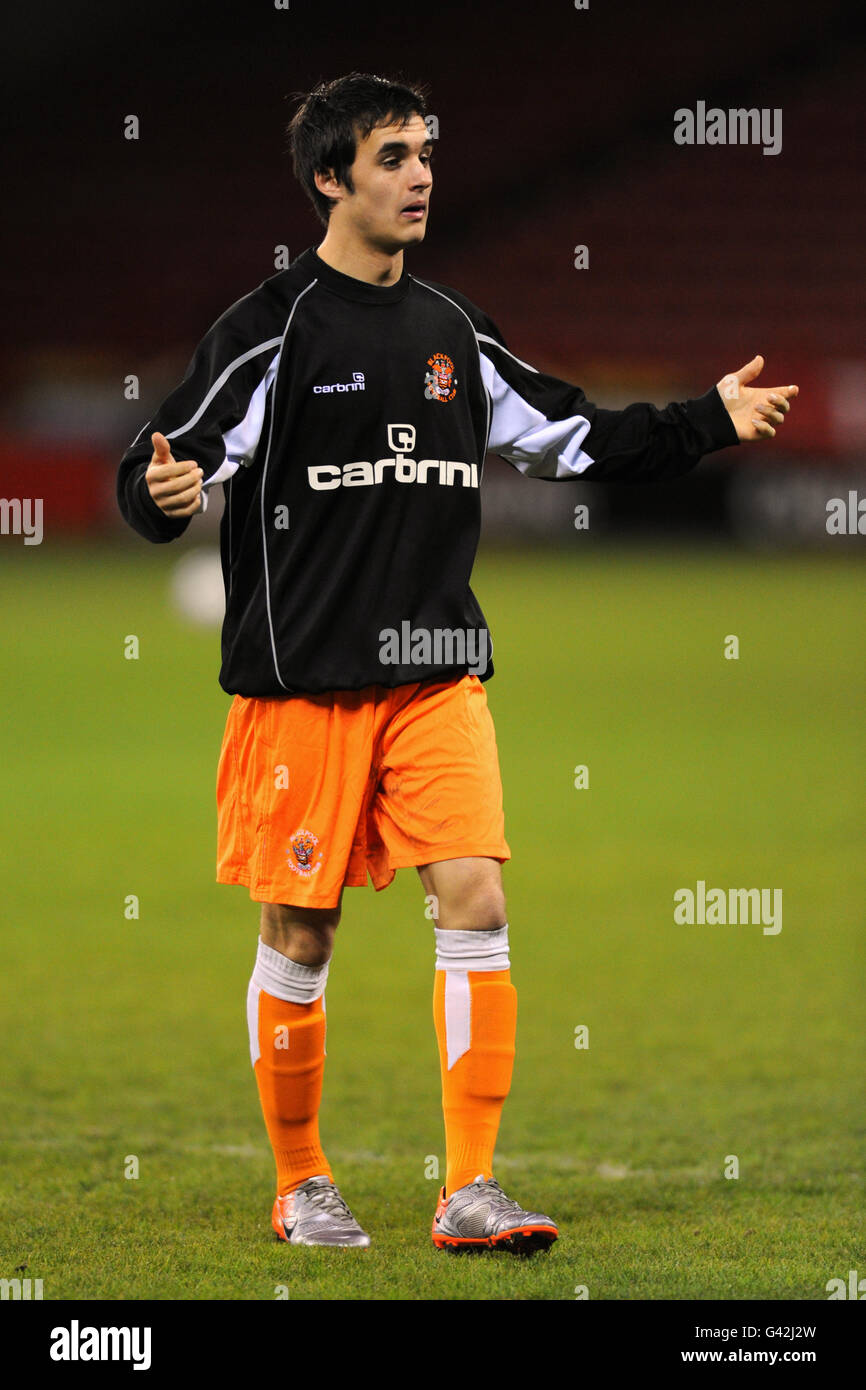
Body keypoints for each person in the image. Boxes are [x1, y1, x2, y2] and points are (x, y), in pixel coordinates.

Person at [117, 71, 798, 1254]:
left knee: (476, 897)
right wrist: (158, 494)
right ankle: (299, 1182)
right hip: (302, 689)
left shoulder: (451, 330)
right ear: (331, 179)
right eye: (391, 156)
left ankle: (469, 1186)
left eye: (425, 151)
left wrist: (702, 419)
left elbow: (571, 428)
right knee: (301, 933)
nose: (420, 173)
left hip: (437, 676)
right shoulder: (269, 330)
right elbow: (162, 456)